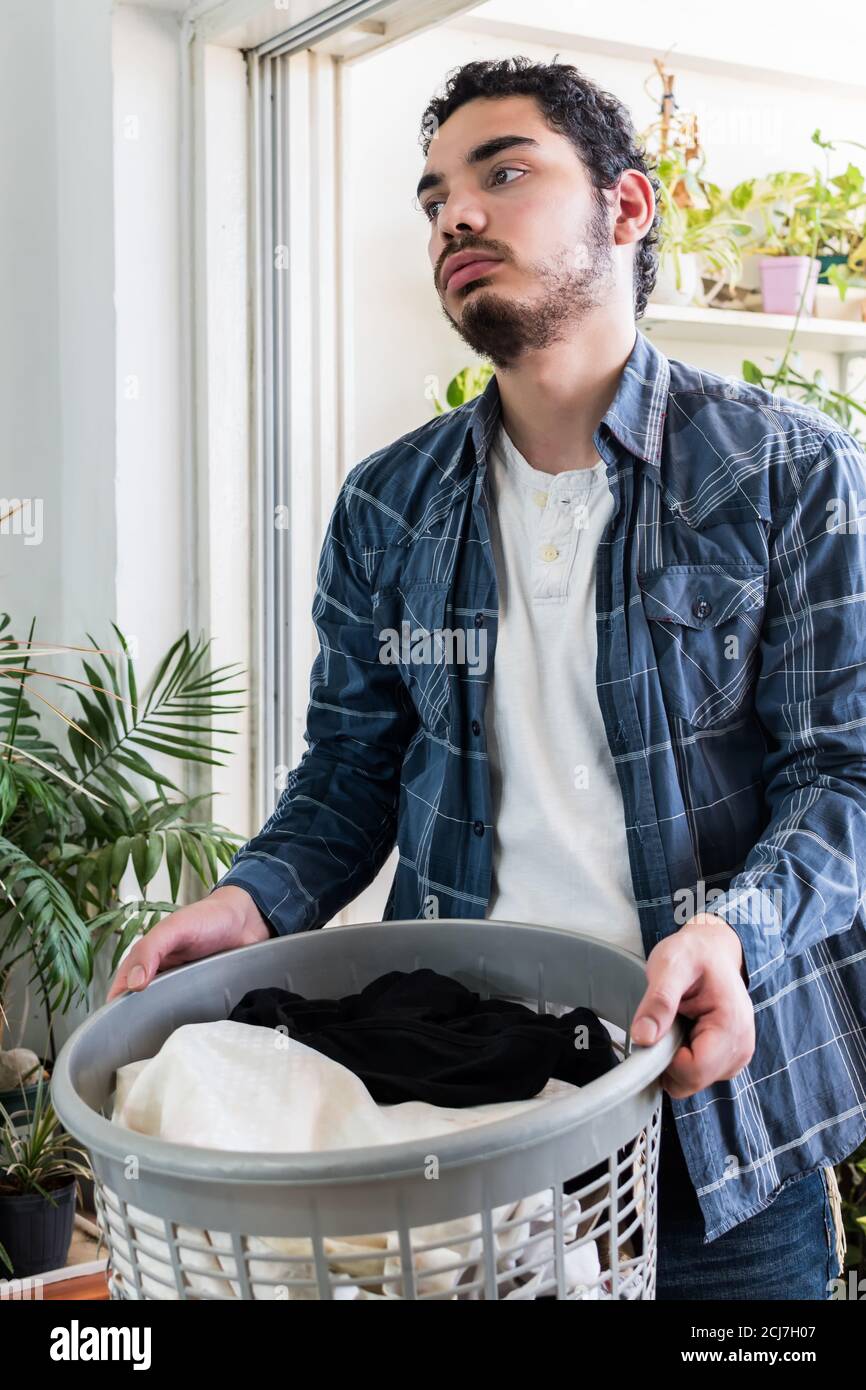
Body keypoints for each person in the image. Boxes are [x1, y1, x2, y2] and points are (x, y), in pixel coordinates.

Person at [108, 56, 862, 1300]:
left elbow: (845, 773)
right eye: (433, 196)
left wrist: (737, 932)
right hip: (469, 1114)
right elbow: (350, 771)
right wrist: (251, 902)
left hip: (725, 1122)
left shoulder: (790, 475)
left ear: (626, 209)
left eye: (502, 172)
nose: (455, 213)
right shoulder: (387, 509)